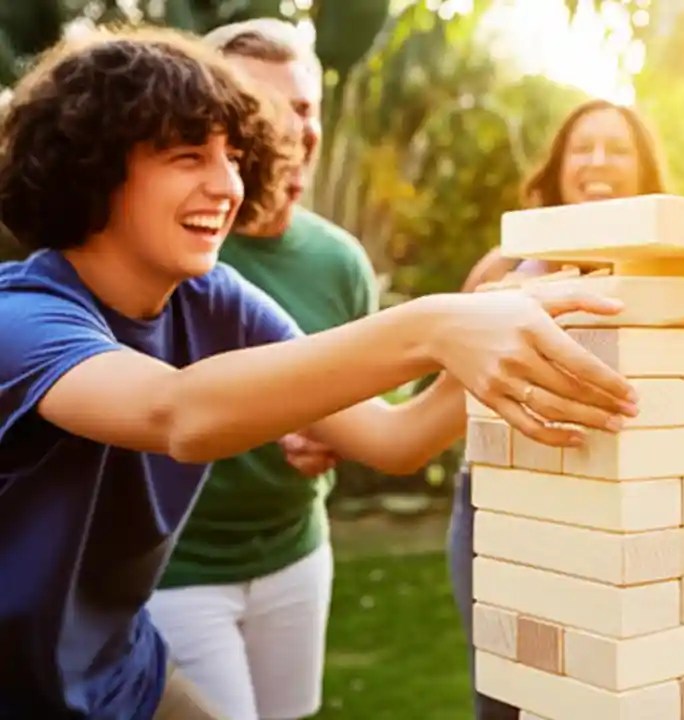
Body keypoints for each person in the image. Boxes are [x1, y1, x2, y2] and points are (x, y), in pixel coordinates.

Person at [0, 27, 637, 719]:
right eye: (189, 157)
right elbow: (174, 414)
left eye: (234, 157)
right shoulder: (24, 320)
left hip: (122, 674)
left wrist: (500, 326)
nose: (228, 187)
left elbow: (400, 438)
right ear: (93, 169)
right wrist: (435, 325)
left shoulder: (215, 301)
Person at [137, 19, 374, 720]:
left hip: (298, 553)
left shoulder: (341, 263)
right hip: (183, 569)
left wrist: (336, 435)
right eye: (264, 108)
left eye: (303, 108)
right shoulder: (177, 251)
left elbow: (375, 416)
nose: (292, 129)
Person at [447, 97, 668, 720]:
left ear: (645, 172)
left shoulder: (662, 271)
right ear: (559, 167)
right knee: (509, 694)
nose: (599, 163)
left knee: (612, 692)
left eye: (618, 149)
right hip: (501, 509)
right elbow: (451, 391)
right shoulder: (507, 267)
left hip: (620, 508)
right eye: (584, 148)